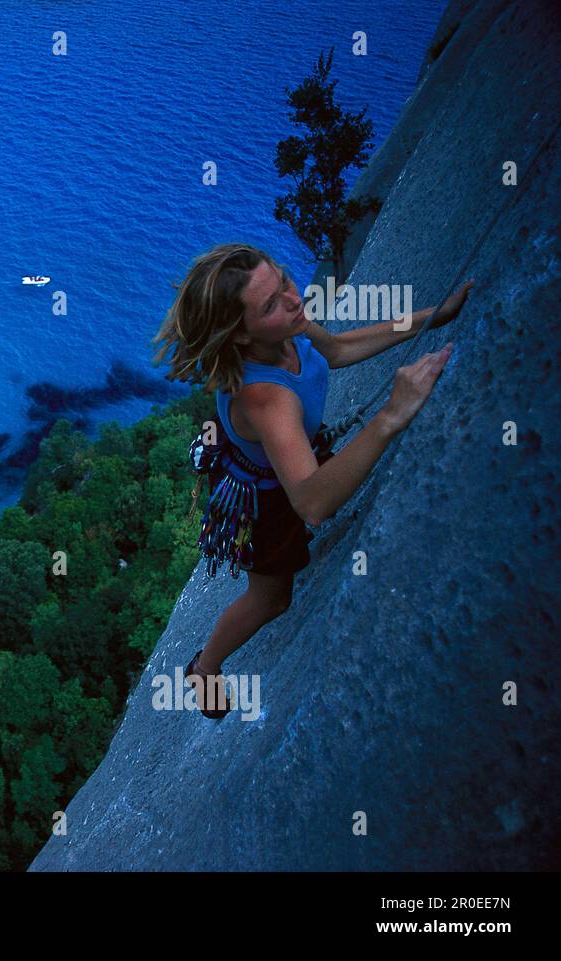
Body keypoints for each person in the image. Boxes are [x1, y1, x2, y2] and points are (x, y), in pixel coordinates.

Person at [151, 243, 470, 718]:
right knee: (271, 599)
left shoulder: (289, 333)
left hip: (292, 462)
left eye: (283, 280)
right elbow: (313, 503)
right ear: (239, 335)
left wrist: (432, 316)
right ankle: (205, 667)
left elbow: (339, 349)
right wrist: (391, 414)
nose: (292, 298)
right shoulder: (266, 399)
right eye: (270, 304)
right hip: (265, 500)